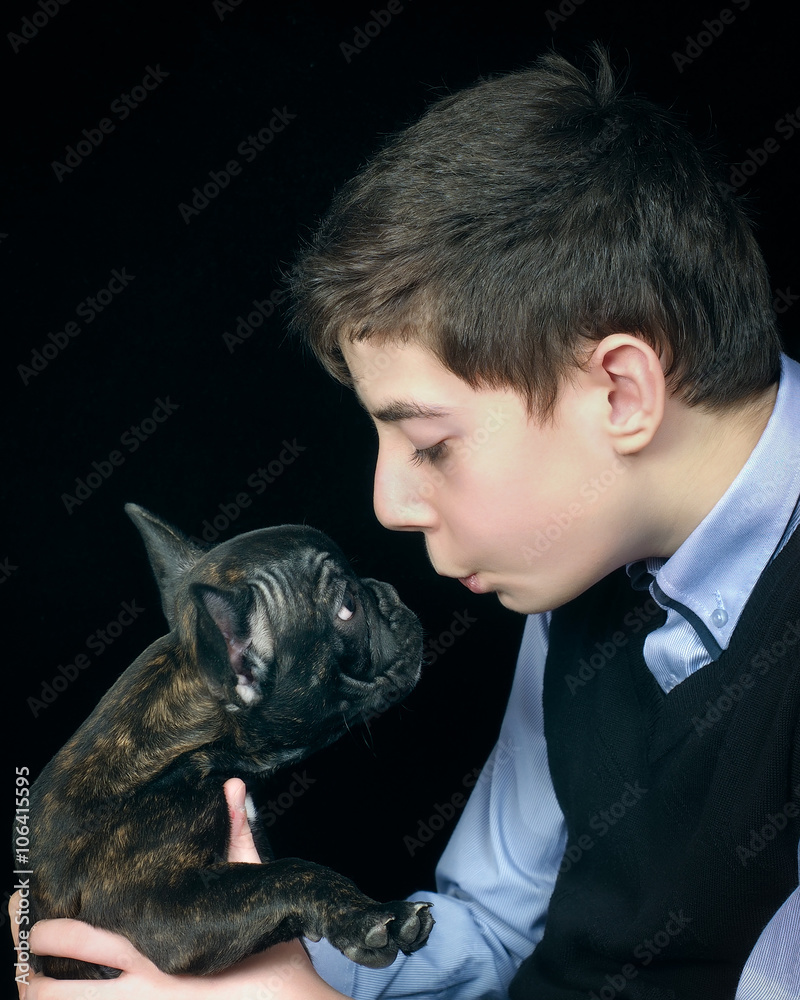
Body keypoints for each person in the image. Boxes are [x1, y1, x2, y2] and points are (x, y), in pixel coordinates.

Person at [12, 45, 800, 999]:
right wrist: (218, 973)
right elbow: (495, 931)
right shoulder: (586, 559)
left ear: (620, 391)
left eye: (429, 442)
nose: (386, 504)